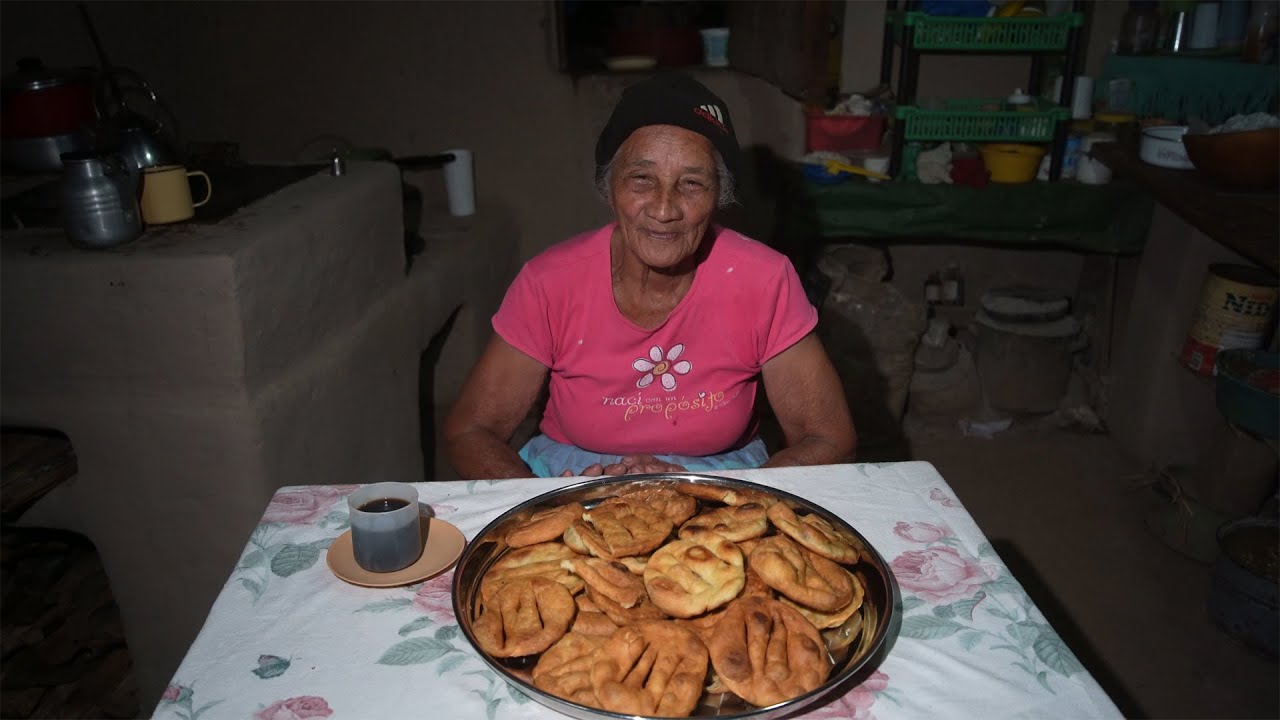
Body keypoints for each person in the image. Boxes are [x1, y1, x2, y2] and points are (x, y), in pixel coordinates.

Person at [444, 72, 854, 479]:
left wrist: (738, 499)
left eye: (692, 184)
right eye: (642, 179)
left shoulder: (764, 280)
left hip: (724, 481)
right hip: (574, 475)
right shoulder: (549, 282)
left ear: (719, 197)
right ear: (610, 188)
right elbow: (471, 430)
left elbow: (827, 436)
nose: (664, 209)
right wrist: (541, 507)